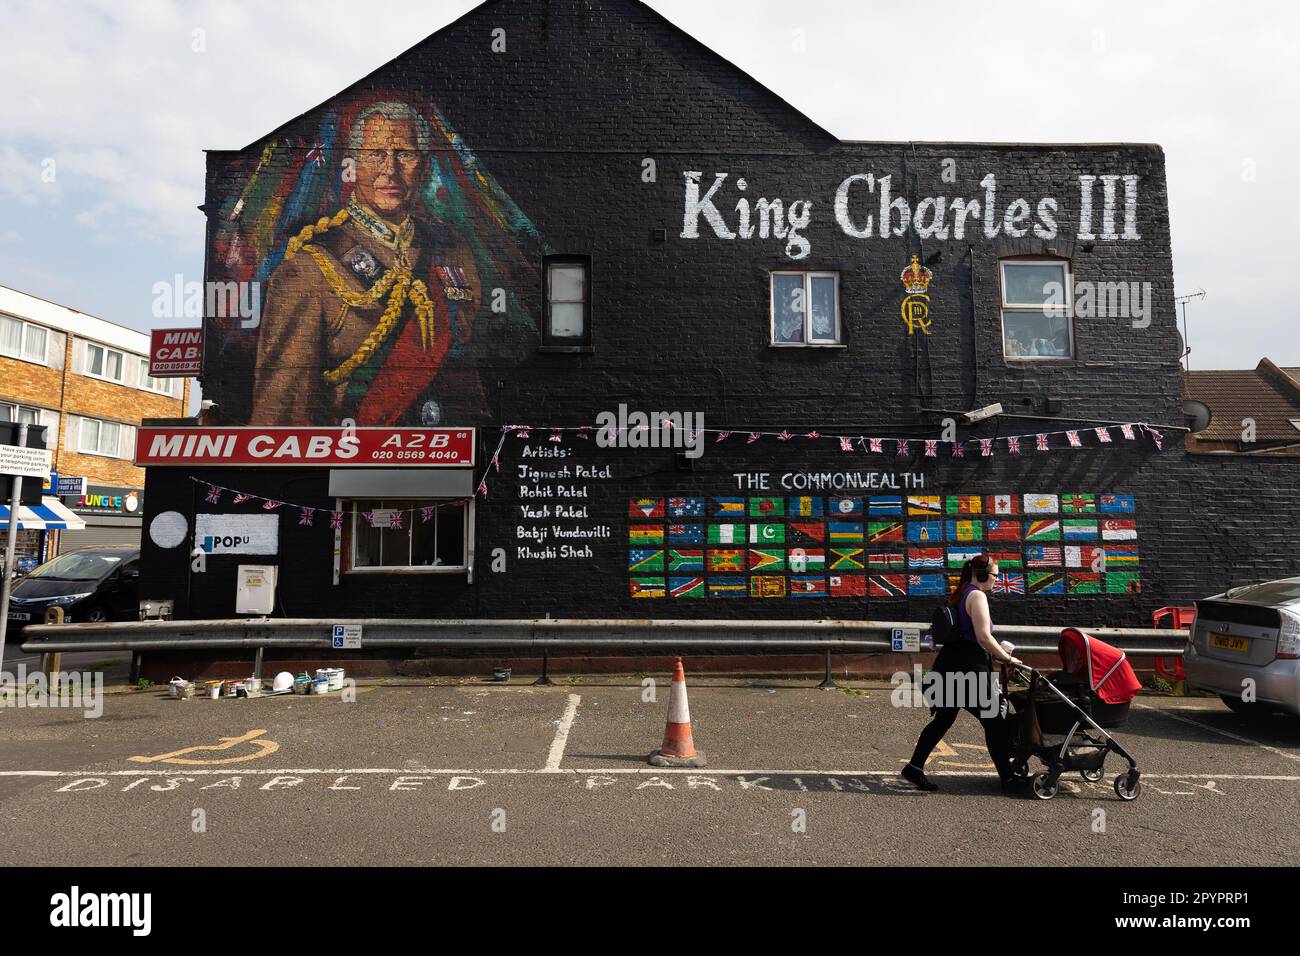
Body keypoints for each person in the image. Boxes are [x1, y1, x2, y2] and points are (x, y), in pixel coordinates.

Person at [250, 100, 483, 426]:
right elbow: (282, 413)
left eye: (405, 154)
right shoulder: (308, 269)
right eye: (375, 154)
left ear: (424, 167)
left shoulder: (452, 252)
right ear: (353, 164)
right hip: (354, 447)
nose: (390, 170)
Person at [901, 553, 1028, 793]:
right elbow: (983, 637)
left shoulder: (960, 593)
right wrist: (1007, 657)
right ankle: (1008, 779)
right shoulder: (977, 596)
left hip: (950, 665)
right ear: (982, 575)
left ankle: (914, 767)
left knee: (943, 719)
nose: (996, 580)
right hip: (969, 669)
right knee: (994, 721)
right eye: (994, 576)